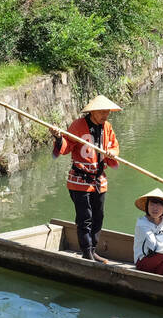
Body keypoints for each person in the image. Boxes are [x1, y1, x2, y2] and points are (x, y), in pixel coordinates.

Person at [52, 94, 121, 262]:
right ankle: (87, 251)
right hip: (80, 179)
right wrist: (59, 138)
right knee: (85, 217)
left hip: (99, 179)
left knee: (99, 216)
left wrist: (112, 153)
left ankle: (93, 248)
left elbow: (114, 146)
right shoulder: (78, 125)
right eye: (103, 112)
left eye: (107, 112)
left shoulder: (107, 127)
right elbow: (67, 147)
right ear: (93, 112)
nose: (106, 115)